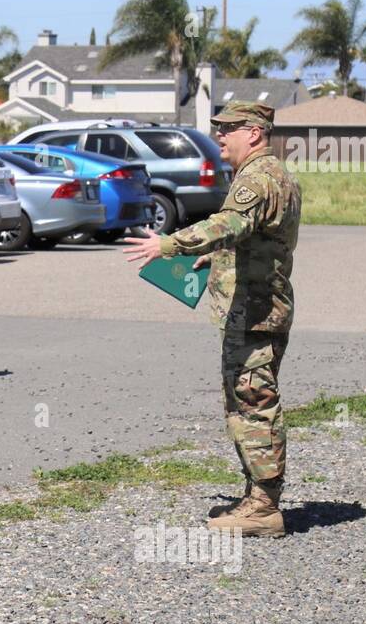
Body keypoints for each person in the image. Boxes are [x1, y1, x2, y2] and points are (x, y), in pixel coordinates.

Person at [123, 101, 301, 538]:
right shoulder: (266, 175)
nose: (219, 136)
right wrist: (213, 259)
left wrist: (170, 246)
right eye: (218, 129)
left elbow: (228, 224)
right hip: (253, 311)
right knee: (244, 403)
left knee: (255, 406)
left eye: (229, 129)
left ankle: (265, 508)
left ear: (255, 133)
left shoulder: (258, 180)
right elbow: (252, 238)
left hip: (257, 314)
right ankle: (256, 496)